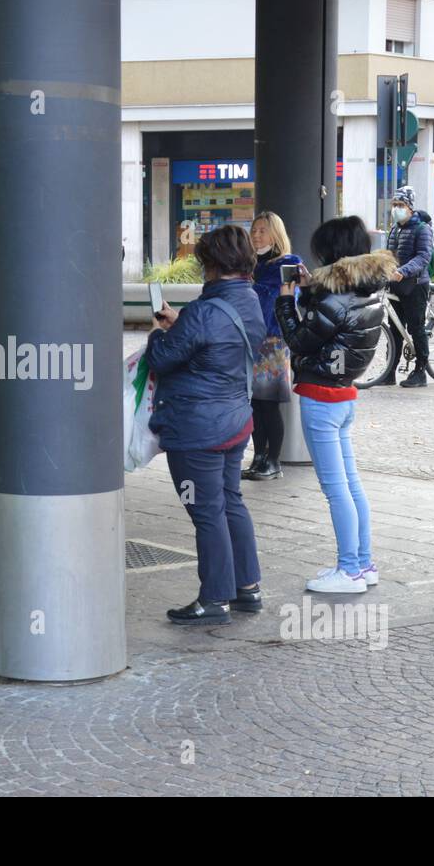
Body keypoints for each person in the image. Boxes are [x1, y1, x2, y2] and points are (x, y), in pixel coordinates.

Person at [147, 225, 266, 625]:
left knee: (206, 511)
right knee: (230, 500)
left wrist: (157, 336)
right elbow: (215, 339)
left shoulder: (203, 312)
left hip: (198, 429)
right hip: (234, 421)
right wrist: (181, 323)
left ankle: (214, 598)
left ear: (211, 263)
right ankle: (246, 588)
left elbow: (162, 359)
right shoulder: (247, 300)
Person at [276, 216, 393, 594]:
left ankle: (349, 571)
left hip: (321, 397)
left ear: (333, 253)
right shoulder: (367, 290)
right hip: (343, 395)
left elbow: (298, 340)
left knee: (335, 488)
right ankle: (363, 563)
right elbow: (329, 328)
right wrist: (312, 290)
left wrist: (284, 300)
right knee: (351, 484)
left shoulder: (333, 299)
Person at [243, 210, 300, 481]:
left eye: (262, 230)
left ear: (275, 233)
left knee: (269, 405)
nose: (256, 235)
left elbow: (285, 300)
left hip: (274, 341)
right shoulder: (248, 263)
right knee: (254, 403)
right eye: (254, 230)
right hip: (250, 340)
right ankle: (258, 457)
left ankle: (274, 461)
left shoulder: (288, 263)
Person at [384, 185, 434, 388]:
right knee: (395, 329)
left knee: (416, 327)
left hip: (415, 285)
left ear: (410, 207)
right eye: (394, 204)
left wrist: (403, 271)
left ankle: (420, 371)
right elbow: (389, 255)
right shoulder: (395, 229)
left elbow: (423, 256)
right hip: (396, 285)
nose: (397, 208)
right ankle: (389, 371)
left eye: (401, 205)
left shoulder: (422, 228)